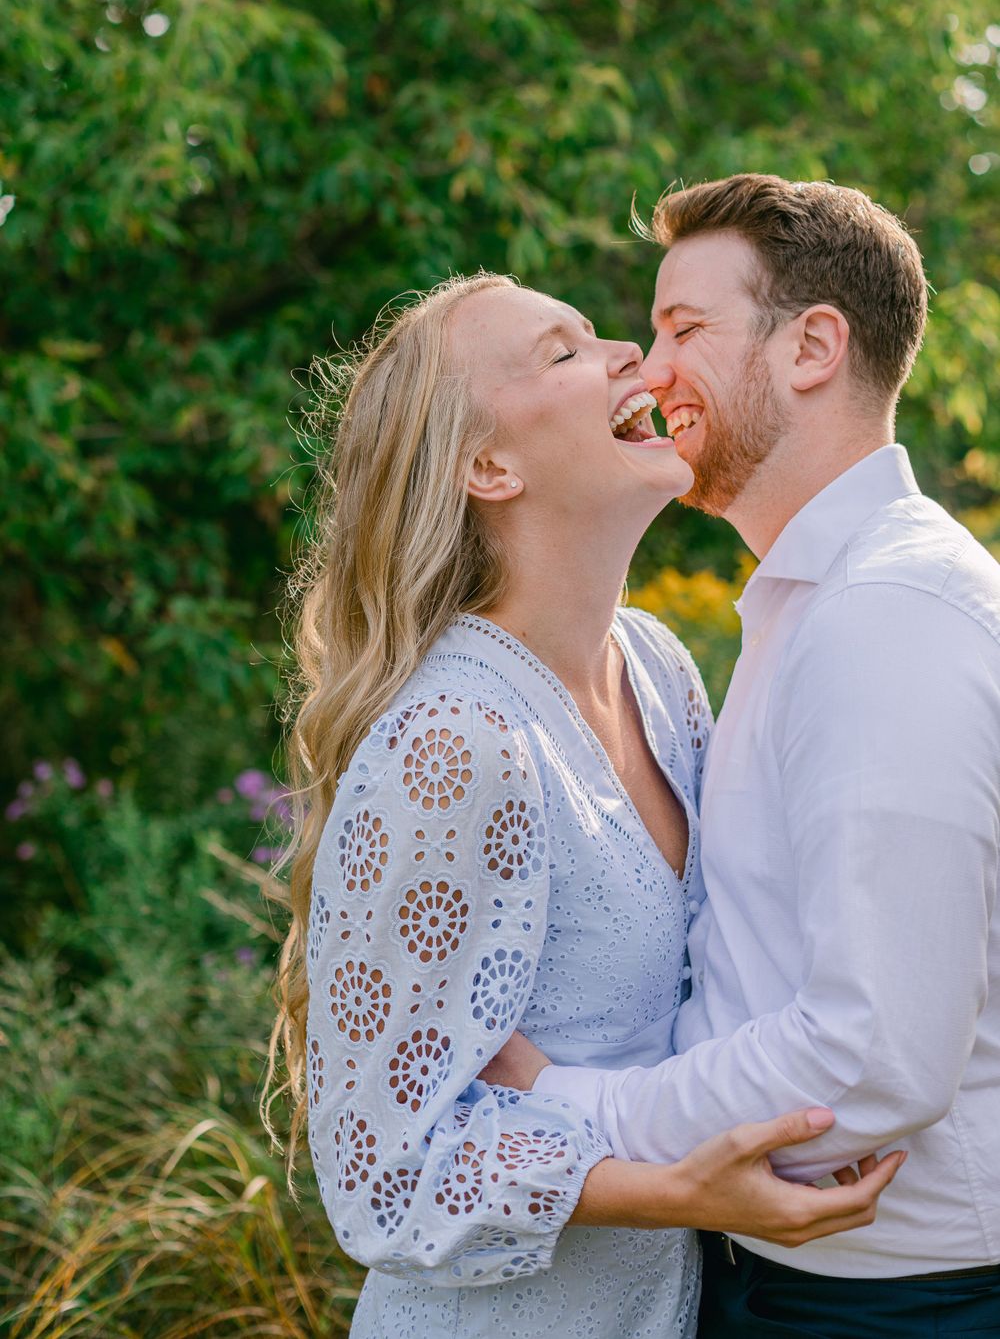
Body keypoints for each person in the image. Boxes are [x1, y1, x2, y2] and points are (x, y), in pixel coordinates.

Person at [264, 270, 902, 1338]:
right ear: (487, 466)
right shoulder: (452, 744)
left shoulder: (659, 670)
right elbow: (381, 1174)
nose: (631, 358)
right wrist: (682, 1194)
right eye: (561, 352)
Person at [483, 175, 1000, 1337]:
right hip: (805, 1282)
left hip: (902, 1307)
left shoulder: (891, 612)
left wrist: (575, 1109)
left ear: (813, 346)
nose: (650, 370)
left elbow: (873, 1055)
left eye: (684, 329)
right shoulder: (809, 609)